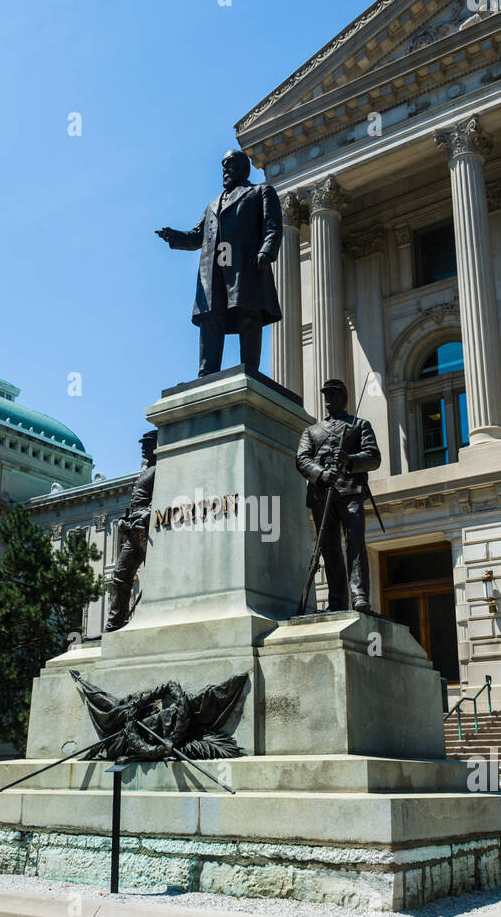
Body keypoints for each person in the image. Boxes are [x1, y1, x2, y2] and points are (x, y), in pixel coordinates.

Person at [156, 149, 282, 376]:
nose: (225, 168)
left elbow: (272, 225)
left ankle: (250, 370)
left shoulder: (260, 192)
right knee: (210, 317)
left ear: (243, 167)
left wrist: (267, 250)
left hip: (245, 263)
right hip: (213, 268)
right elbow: (197, 236)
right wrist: (174, 236)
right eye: (223, 164)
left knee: (248, 313)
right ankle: (207, 371)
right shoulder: (213, 204)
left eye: (230, 163)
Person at [296, 379, 381, 614]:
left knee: (355, 543)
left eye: (333, 395)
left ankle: (360, 596)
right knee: (329, 549)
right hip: (321, 495)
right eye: (326, 395)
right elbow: (302, 459)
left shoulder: (359, 425)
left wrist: (350, 460)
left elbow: (373, 457)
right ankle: (336, 602)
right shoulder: (311, 431)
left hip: (350, 491)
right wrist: (322, 474)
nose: (328, 400)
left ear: (343, 398)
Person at [104, 430, 157, 632]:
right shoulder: (146, 470)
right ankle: (115, 623)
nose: (143, 447)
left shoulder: (163, 467)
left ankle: (155, 614)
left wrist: (146, 515)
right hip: (133, 529)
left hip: (148, 529)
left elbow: (165, 494)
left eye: (148, 443)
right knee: (120, 576)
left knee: (155, 573)